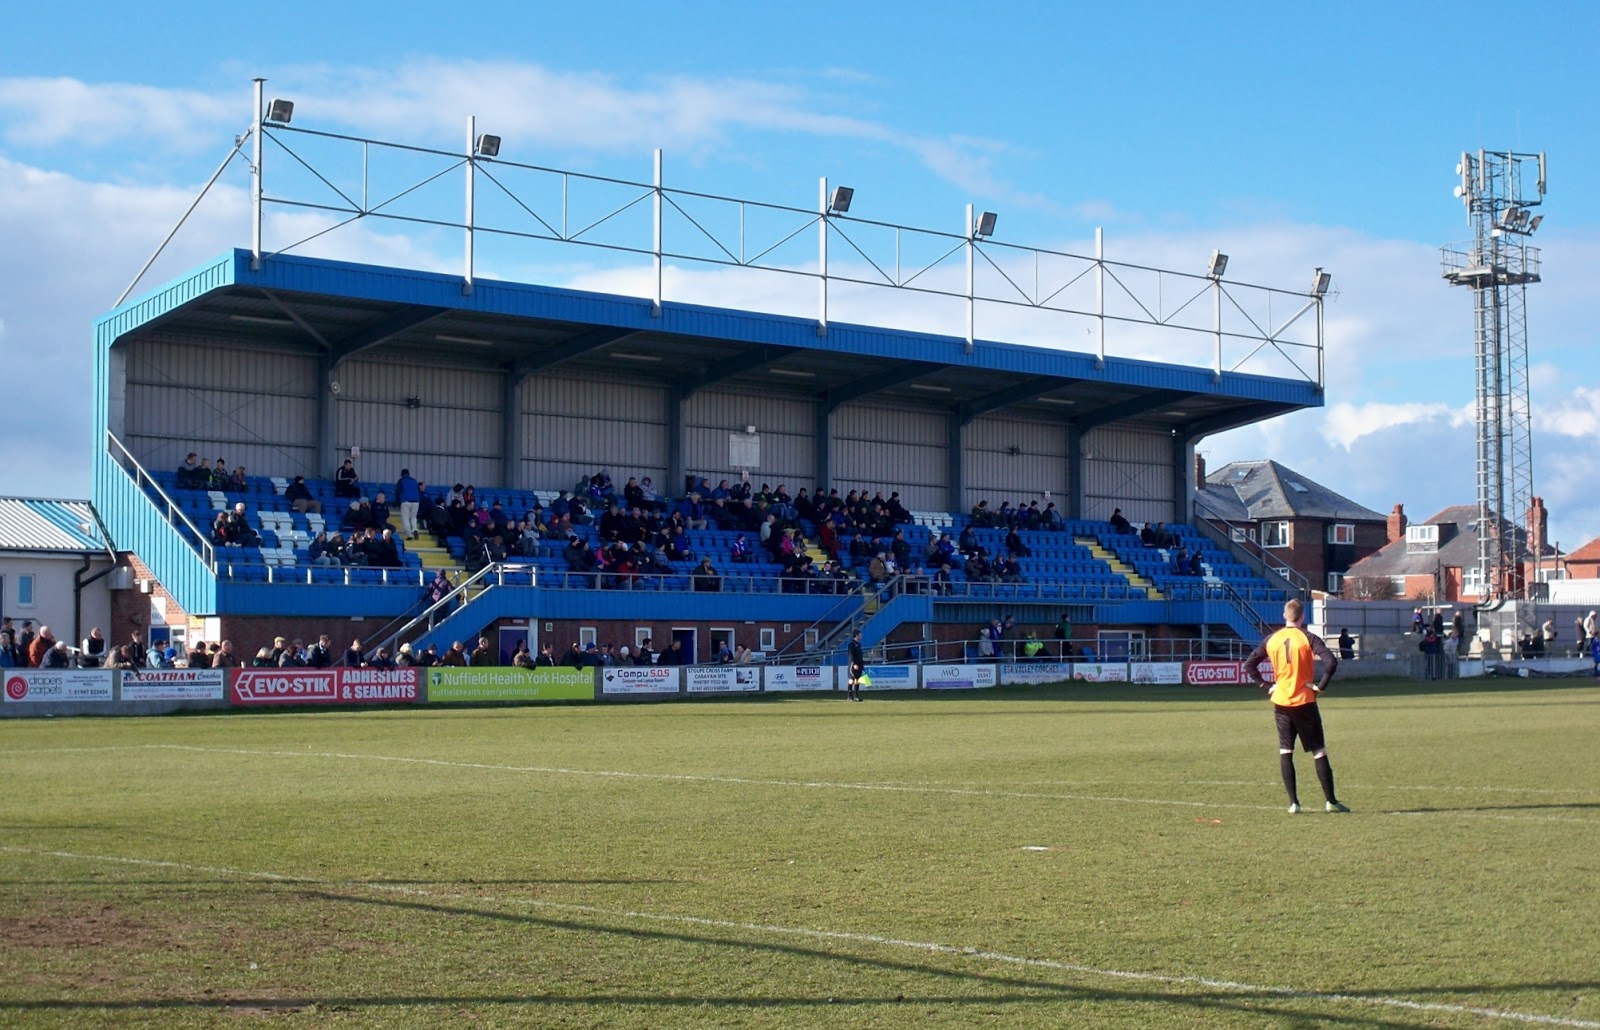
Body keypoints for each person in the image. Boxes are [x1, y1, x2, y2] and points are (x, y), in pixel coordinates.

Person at [1243, 599, 1349, 815]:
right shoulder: (1308, 637)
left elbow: (1249, 664)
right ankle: (1330, 801)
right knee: (1318, 751)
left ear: (1285, 616)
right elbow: (1331, 662)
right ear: (1302, 618)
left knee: (1286, 750)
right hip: (1304, 701)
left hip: (1281, 701)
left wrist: (1266, 686)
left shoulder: (1271, 639)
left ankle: (1294, 804)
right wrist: (1321, 686)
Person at [846, 627, 865, 703]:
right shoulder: (851, 644)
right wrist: (853, 664)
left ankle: (856, 696)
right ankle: (849, 697)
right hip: (853, 665)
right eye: (860, 635)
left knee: (857, 680)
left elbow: (860, 655)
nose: (861, 636)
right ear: (856, 635)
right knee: (851, 680)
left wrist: (862, 664)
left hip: (859, 664)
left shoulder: (859, 644)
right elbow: (851, 655)